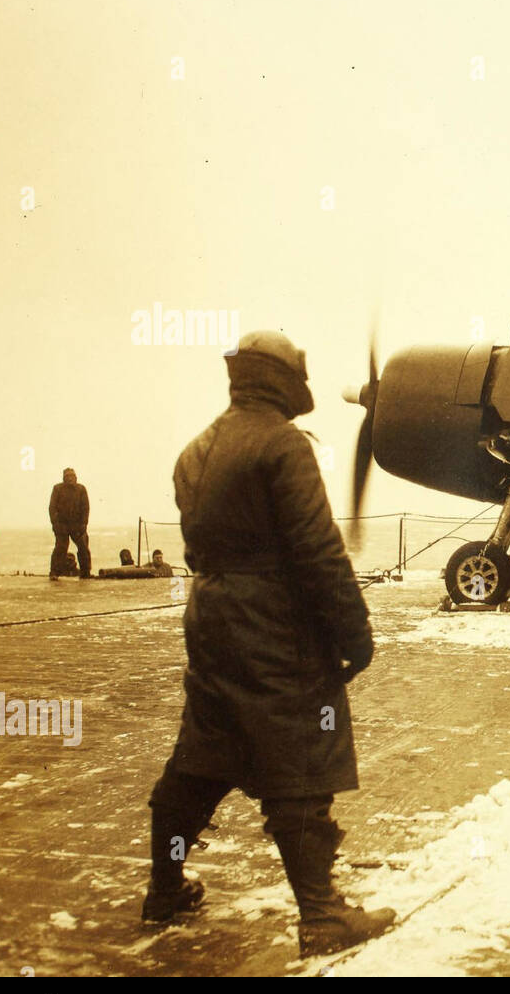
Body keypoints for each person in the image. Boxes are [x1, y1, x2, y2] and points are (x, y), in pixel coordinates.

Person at [143, 330, 395, 957]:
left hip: (211, 619)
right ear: (284, 380)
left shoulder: (195, 449)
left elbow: (201, 549)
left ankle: (165, 889)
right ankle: (322, 917)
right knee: (300, 761)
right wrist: (354, 632)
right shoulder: (282, 445)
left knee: (203, 756)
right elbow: (317, 548)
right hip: (276, 627)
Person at [49, 468, 91, 578]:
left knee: (83, 547)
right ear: (64, 478)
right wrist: (55, 524)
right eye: (67, 476)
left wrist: (84, 524)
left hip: (77, 525)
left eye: (72, 476)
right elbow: (52, 508)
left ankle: (86, 572)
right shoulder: (57, 489)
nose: (70, 478)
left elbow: (85, 508)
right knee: (60, 548)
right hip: (62, 525)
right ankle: (54, 572)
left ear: (76, 478)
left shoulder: (81, 489)